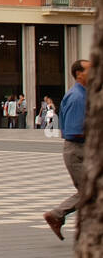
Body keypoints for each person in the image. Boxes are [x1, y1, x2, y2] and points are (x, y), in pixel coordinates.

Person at [44, 59, 89, 240]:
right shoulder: (77, 97)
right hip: (79, 151)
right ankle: (57, 215)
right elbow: (73, 131)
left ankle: (58, 215)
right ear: (79, 74)